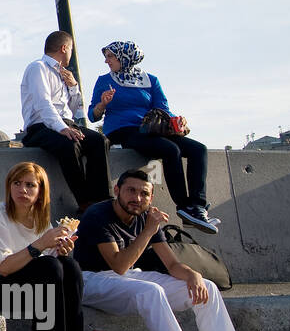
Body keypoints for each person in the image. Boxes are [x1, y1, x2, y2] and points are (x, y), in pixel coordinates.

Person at [76, 169, 275, 331]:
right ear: (117, 191)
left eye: (144, 194)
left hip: (130, 278)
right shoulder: (98, 214)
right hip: (92, 281)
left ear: (150, 198)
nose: (137, 198)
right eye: (131, 191)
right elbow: (118, 265)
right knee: (151, 292)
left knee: (208, 288)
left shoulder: (146, 216)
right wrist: (149, 230)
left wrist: (193, 275)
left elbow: (171, 264)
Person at [89, 41, 219, 234]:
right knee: (170, 150)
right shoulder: (104, 81)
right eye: (106, 56)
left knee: (198, 149)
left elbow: (162, 109)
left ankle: (197, 207)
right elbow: (93, 115)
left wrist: (177, 121)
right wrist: (102, 104)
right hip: (122, 130)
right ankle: (183, 206)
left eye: (110, 56)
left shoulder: (150, 80)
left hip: (150, 129)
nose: (106, 61)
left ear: (125, 58)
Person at [0, 162, 92, 331]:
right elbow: (4, 267)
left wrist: (60, 251)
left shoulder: (40, 219)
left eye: (30, 185)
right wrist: (39, 245)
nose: (22, 189)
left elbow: (48, 265)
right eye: (17, 183)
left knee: (69, 264)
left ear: (41, 191)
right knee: (49, 265)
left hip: (27, 289)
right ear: (9, 187)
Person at [21, 31, 111, 212]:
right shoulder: (38, 68)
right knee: (69, 144)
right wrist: (61, 128)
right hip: (41, 126)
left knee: (99, 141)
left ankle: (102, 199)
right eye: (70, 49)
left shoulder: (63, 73)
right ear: (64, 48)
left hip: (65, 122)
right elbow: (42, 103)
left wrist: (73, 87)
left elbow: (74, 108)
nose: (71, 54)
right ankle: (85, 202)